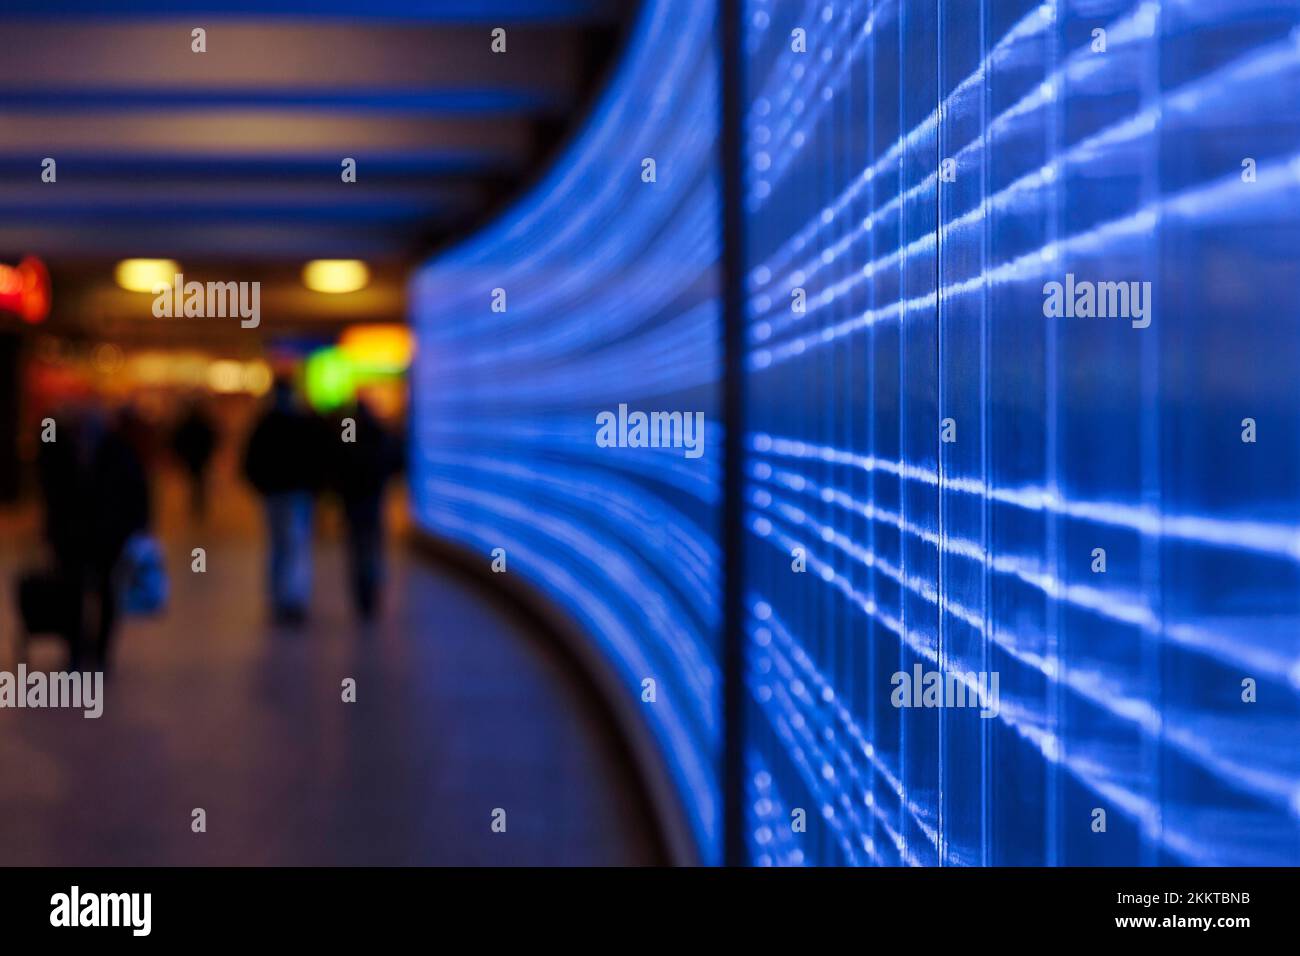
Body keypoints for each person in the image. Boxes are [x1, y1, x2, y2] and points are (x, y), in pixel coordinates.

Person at [38, 402, 151, 671]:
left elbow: (136, 491)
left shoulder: (117, 451)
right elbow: (52, 495)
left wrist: (136, 526)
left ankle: (99, 651)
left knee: (105, 591)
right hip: (74, 535)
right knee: (74, 592)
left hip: (106, 535)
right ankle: (77, 650)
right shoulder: (62, 452)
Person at [242, 377, 326, 625]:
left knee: (279, 545)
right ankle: (293, 598)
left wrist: (263, 487)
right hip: (297, 494)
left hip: (277, 495)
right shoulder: (303, 423)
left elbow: (250, 462)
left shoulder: (266, 424)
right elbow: (319, 458)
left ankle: (281, 597)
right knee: (296, 544)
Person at [329, 398, 402, 620]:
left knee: (357, 547)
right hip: (372, 499)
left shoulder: (349, 431)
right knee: (372, 544)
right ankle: (371, 588)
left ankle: (362, 591)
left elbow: (339, 461)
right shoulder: (377, 432)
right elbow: (392, 460)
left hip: (353, 501)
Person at [170, 398, 218, 520]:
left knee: (195, 482)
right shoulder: (203, 423)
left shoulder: (188, 423)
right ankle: (198, 504)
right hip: (198, 457)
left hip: (193, 457)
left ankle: (196, 505)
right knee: (199, 482)